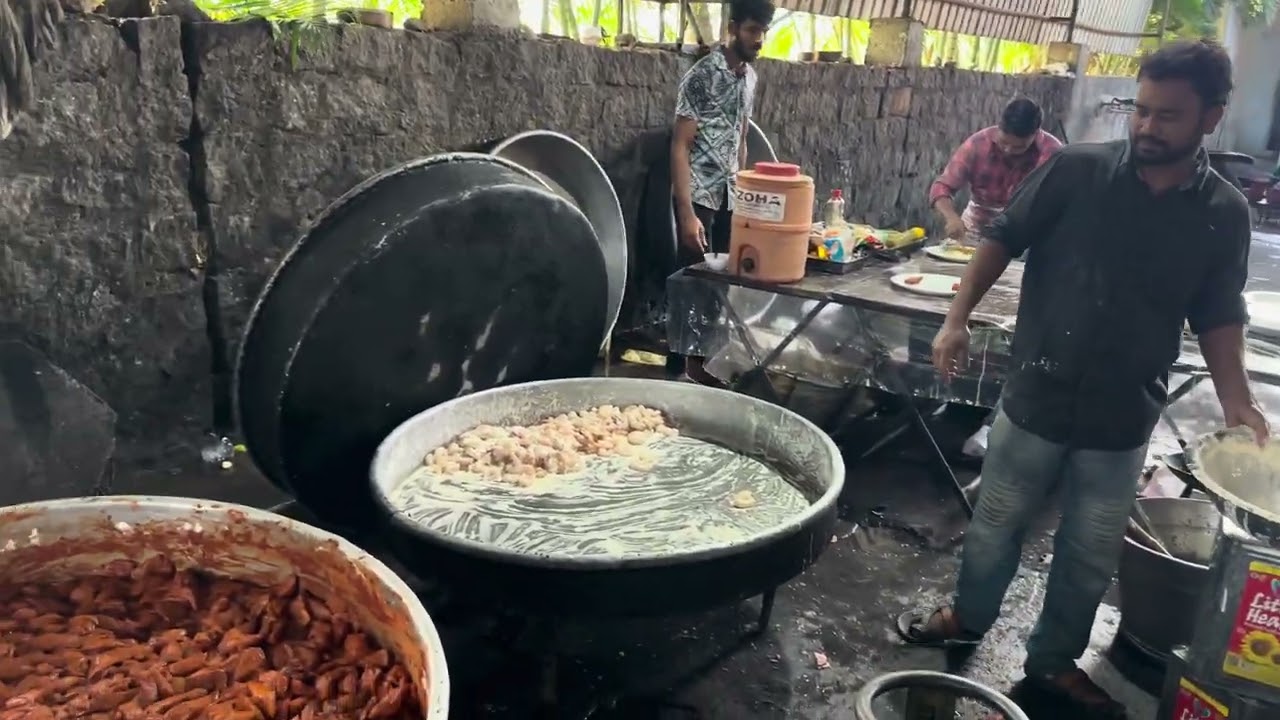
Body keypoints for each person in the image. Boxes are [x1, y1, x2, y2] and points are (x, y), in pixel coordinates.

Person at [896, 40, 1269, 718]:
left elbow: (1218, 311)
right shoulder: (1076, 170)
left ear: (1211, 117)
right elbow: (1002, 237)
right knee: (995, 525)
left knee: (1089, 553)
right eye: (1142, 111)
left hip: (1122, 416)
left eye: (1169, 116)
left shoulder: (1222, 213)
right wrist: (956, 320)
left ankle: (1053, 662)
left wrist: (1238, 399)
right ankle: (968, 618)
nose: (1148, 127)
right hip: (1037, 393)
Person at [667, 0, 774, 384]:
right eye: (751, 30)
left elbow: (741, 137)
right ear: (733, 28)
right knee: (691, 284)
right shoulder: (701, 76)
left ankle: (709, 370)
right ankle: (677, 371)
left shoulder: (750, 79)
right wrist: (686, 213)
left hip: (731, 193)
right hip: (698, 195)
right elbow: (680, 145)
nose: (758, 39)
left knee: (726, 285)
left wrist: (745, 194)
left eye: (763, 31)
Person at [929, 98, 1063, 241]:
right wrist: (951, 218)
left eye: (1019, 147)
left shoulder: (1053, 154)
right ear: (999, 127)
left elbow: (1061, 203)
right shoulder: (977, 144)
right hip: (976, 224)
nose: (1008, 150)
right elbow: (942, 186)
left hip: (1026, 231)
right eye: (1004, 142)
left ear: (1035, 134)